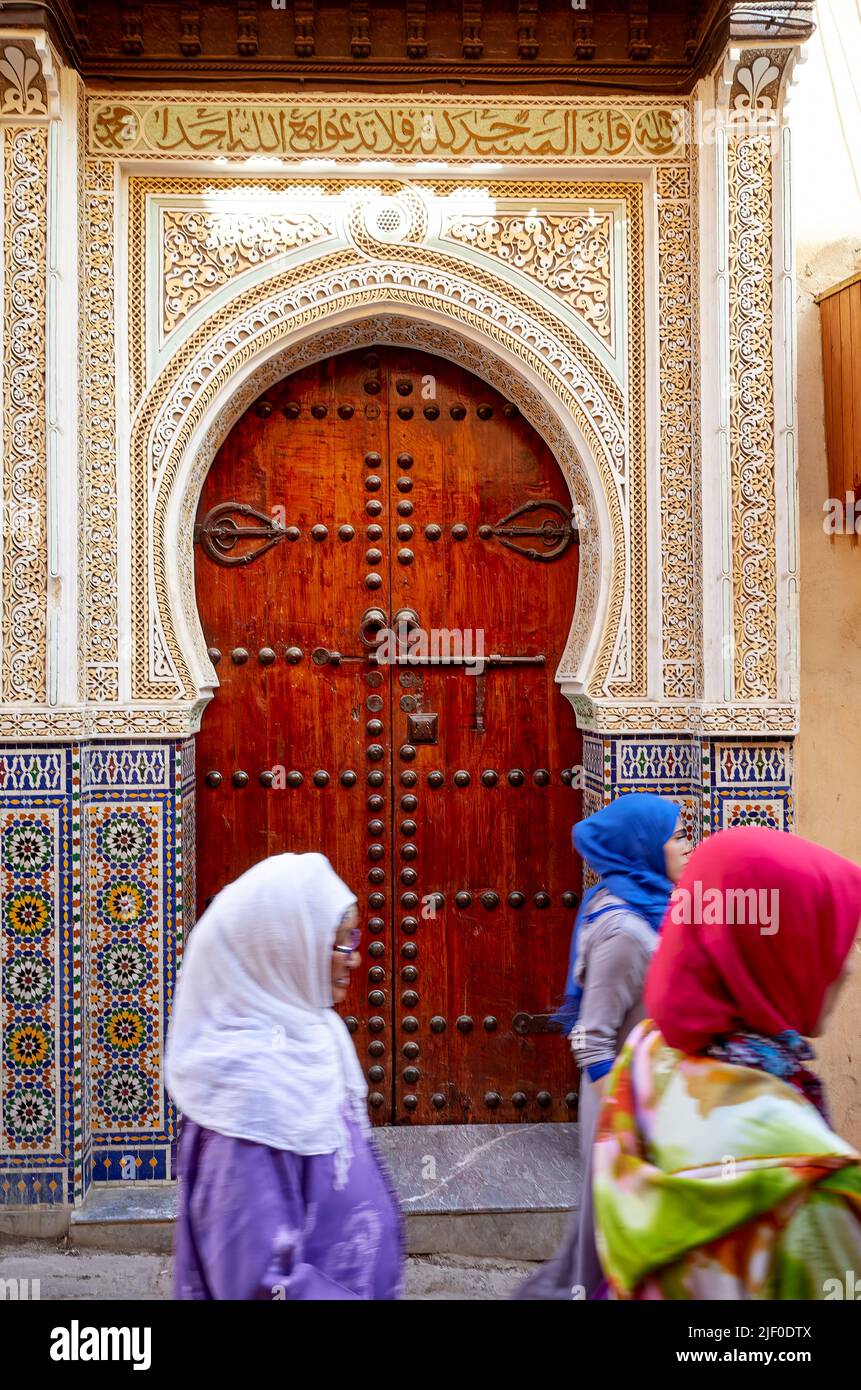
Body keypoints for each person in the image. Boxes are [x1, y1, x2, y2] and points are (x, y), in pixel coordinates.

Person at [593, 826, 861, 1300]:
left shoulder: (647, 1062)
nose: (846, 964)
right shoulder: (811, 1186)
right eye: (828, 935)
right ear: (779, 951)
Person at [166, 852, 404, 1300]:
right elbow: (256, 1281)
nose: (355, 959)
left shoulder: (314, 1036)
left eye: (353, 937)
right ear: (283, 948)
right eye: (340, 942)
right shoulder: (245, 1105)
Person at [514, 792, 690, 1300]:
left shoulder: (649, 905)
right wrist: (626, 1117)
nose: (686, 846)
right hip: (622, 1094)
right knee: (619, 1226)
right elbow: (592, 1037)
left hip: (647, 1091)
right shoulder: (626, 929)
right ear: (644, 848)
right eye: (675, 837)